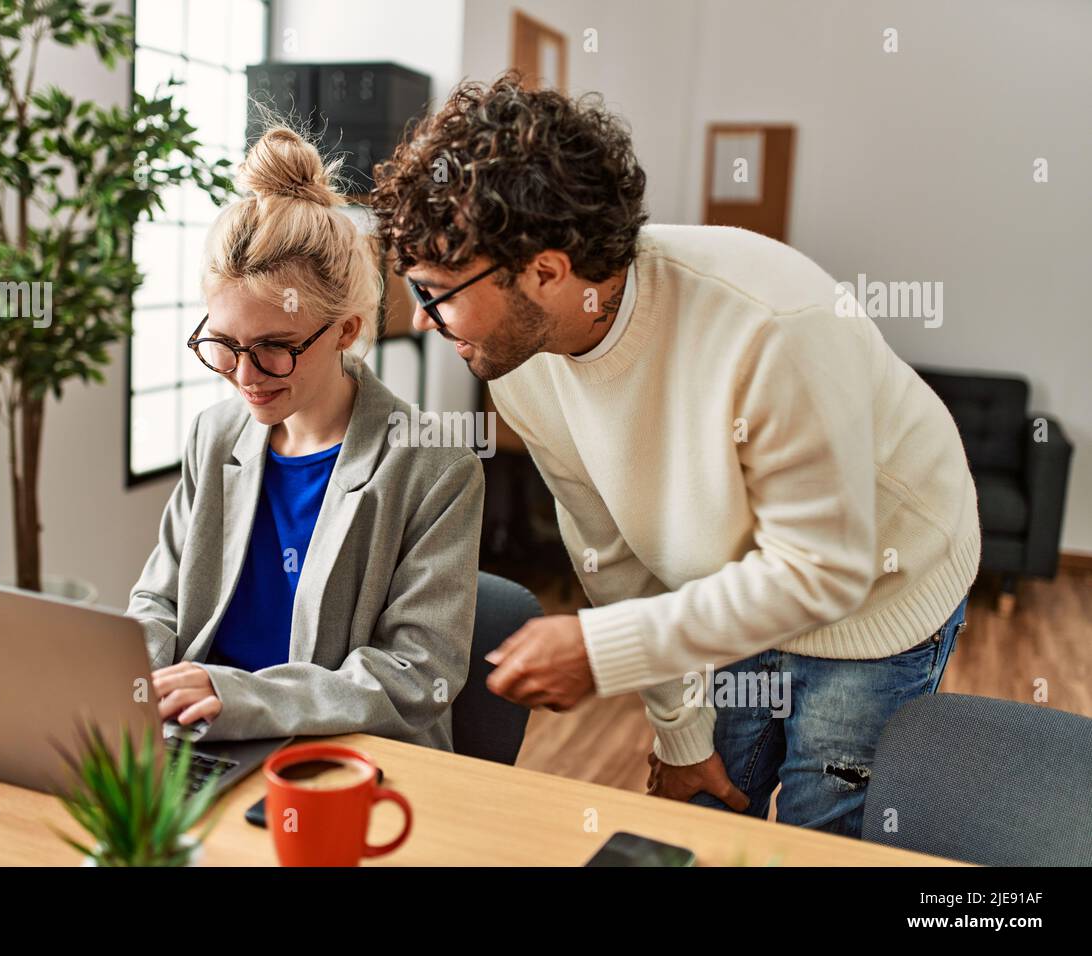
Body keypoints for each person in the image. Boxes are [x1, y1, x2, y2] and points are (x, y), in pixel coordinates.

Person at [369, 73, 979, 836]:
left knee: (822, 840)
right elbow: (612, 559)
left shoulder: (772, 323)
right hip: (726, 591)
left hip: (877, 596)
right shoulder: (519, 357)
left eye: (437, 292)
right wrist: (680, 734)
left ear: (548, 271)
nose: (425, 322)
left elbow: (823, 569)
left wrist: (600, 651)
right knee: (703, 816)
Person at [126, 124, 483, 750]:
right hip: (200, 740)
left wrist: (238, 696)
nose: (243, 376)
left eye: (273, 349)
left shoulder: (436, 468)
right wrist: (128, 681)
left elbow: (418, 678)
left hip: (338, 758)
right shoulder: (215, 437)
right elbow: (157, 602)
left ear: (346, 331)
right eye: (225, 345)